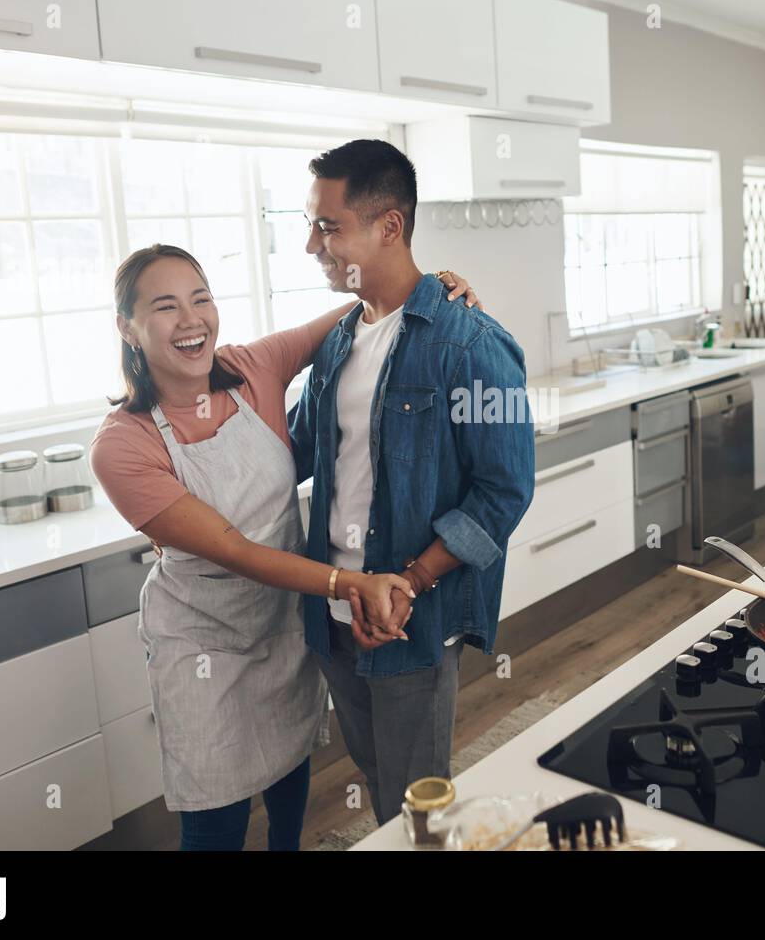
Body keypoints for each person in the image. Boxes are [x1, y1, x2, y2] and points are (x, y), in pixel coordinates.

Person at [88, 243, 480, 850]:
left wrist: (432, 284)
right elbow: (235, 549)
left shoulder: (254, 369)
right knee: (215, 813)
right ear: (127, 328)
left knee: (286, 771)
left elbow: (362, 308)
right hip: (202, 640)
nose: (192, 320)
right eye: (166, 307)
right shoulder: (122, 445)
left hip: (281, 622)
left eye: (202, 298)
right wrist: (349, 584)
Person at [288, 139, 535, 824]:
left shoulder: (474, 342)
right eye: (313, 224)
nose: (313, 243)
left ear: (389, 226)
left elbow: (505, 489)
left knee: (418, 800)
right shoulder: (339, 340)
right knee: (381, 788)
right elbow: (297, 448)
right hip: (335, 610)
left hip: (408, 616)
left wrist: (412, 581)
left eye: (329, 225)